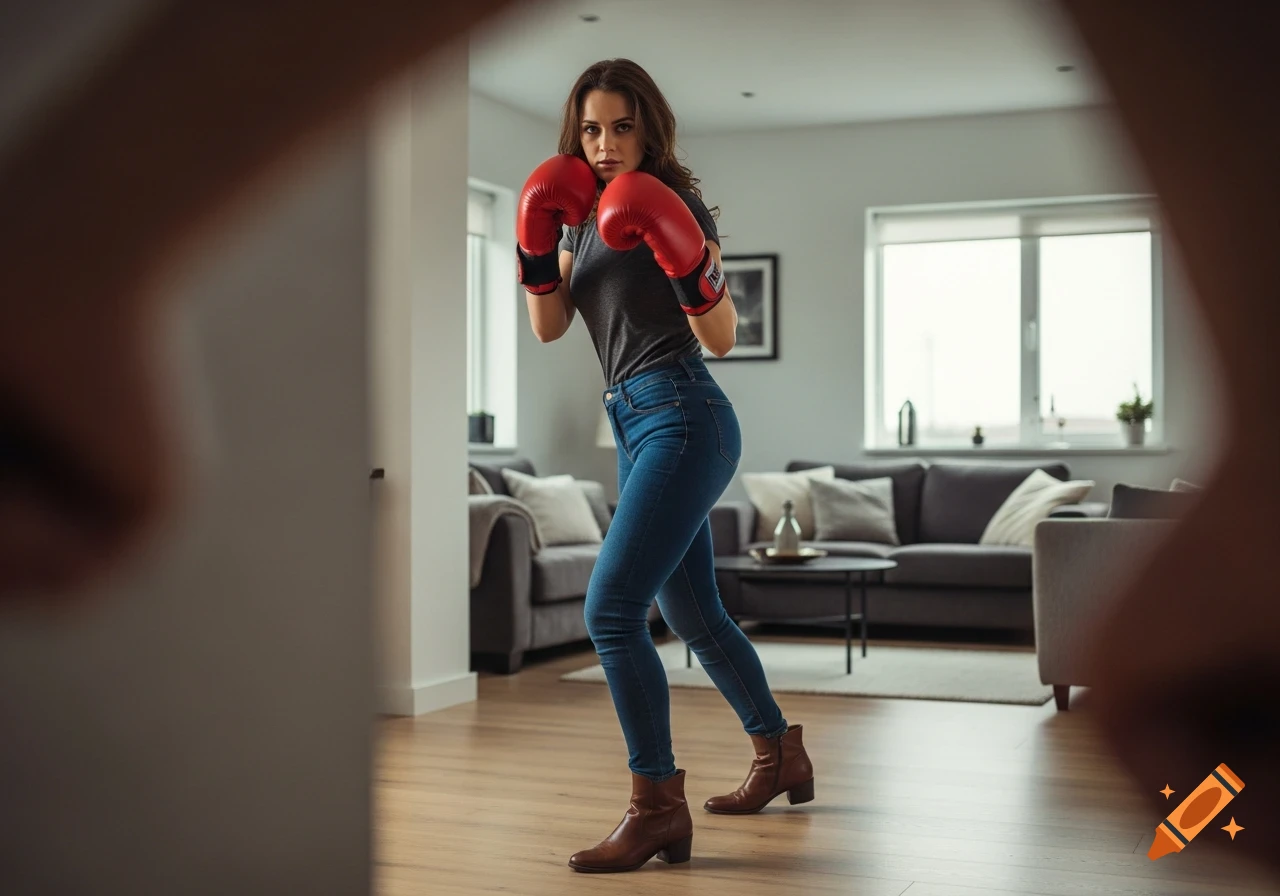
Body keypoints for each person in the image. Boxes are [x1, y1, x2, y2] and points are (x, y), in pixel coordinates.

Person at [514, 58, 814, 874]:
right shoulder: (577, 214)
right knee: (694, 614)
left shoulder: (672, 204)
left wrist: (686, 255)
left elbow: (721, 340)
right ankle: (778, 753)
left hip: (684, 412)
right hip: (635, 423)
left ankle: (656, 807)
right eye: (590, 129)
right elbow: (549, 325)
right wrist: (535, 241)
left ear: (648, 127)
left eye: (620, 127)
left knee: (611, 610)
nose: (605, 146)